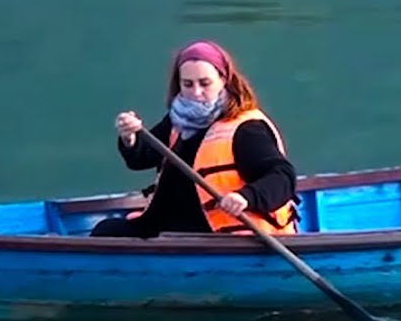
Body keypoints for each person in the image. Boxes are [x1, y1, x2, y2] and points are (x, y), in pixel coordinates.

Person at [90, 40, 300, 238]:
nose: (196, 93)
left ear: (223, 80)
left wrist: (246, 197)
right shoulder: (178, 119)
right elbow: (141, 159)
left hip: (216, 232)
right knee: (105, 230)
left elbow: (282, 177)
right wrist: (130, 137)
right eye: (188, 84)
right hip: (165, 222)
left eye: (205, 83)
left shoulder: (246, 129)